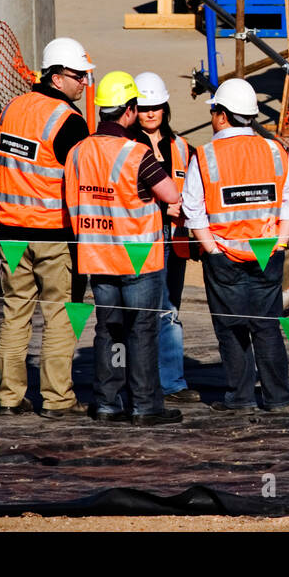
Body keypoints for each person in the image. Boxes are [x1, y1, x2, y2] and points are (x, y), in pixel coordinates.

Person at [65, 71, 185, 425]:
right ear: (130, 110)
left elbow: (74, 202)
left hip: (97, 255)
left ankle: (106, 402)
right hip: (139, 257)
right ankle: (145, 405)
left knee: (109, 329)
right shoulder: (137, 152)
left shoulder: (77, 151)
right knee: (141, 329)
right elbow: (171, 194)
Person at [182, 78, 289, 412]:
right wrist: (279, 244)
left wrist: (212, 251)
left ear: (222, 115)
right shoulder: (274, 150)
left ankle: (240, 397)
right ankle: (278, 396)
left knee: (231, 328)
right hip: (268, 254)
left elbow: (193, 211)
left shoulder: (206, 156)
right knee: (267, 326)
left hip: (223, 257)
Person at [0, 36, 94, 419]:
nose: (83, 83)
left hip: (11, 232)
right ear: (56, 77)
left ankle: (9, 397)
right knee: (60, 315)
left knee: (15, 313)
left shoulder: (12, 109)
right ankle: (57, 399)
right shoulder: (68, 122)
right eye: (78, 76)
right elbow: (82, 178)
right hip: (54, 234)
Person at [132, 71, 199, 403]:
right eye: (144, 108)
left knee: (169, 309)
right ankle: (141, 381)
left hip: (174, 241)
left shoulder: (182, 146)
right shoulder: (128, 147)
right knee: (140, 311)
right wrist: (161, 210)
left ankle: (172, 382)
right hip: (140, 242)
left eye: (156, 107)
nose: (151, 113)